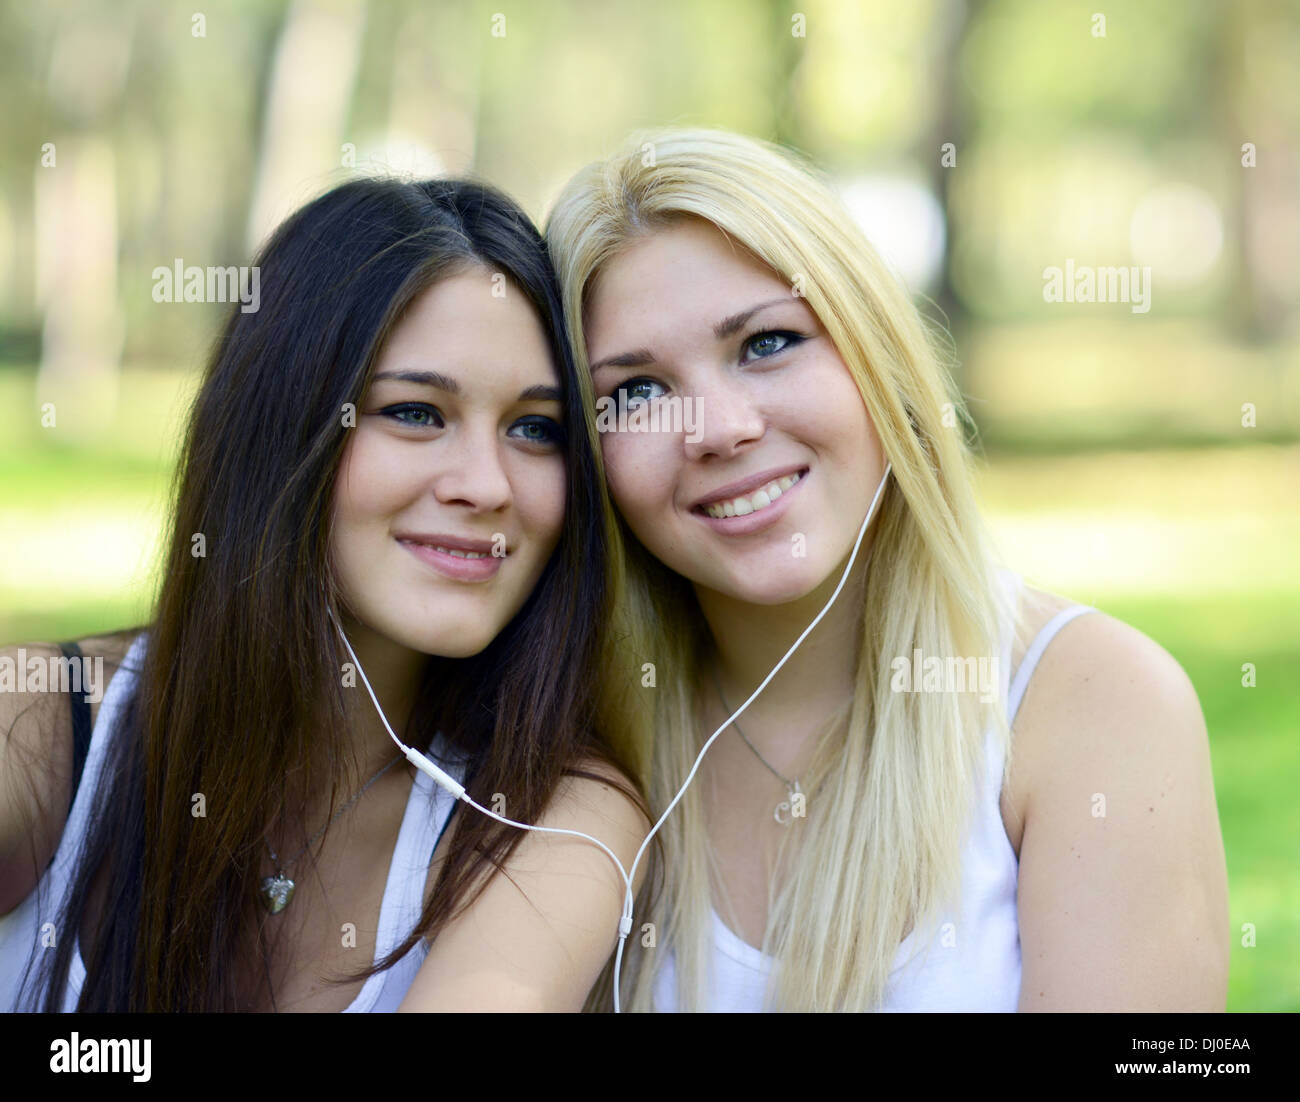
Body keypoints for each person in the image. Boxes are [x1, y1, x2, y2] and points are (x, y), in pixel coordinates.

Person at [544, 127, 1230, 1013]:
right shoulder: (577, 739)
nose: (718, 428)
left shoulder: (1092, 703)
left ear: (878, 353)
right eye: (634, 393)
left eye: (765, 343)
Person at [0, 175, 649, 1012]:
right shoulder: (46, 724)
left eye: (535, 429)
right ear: (281, 424)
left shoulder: (558, 817)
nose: (487, 485)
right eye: (416, 412)